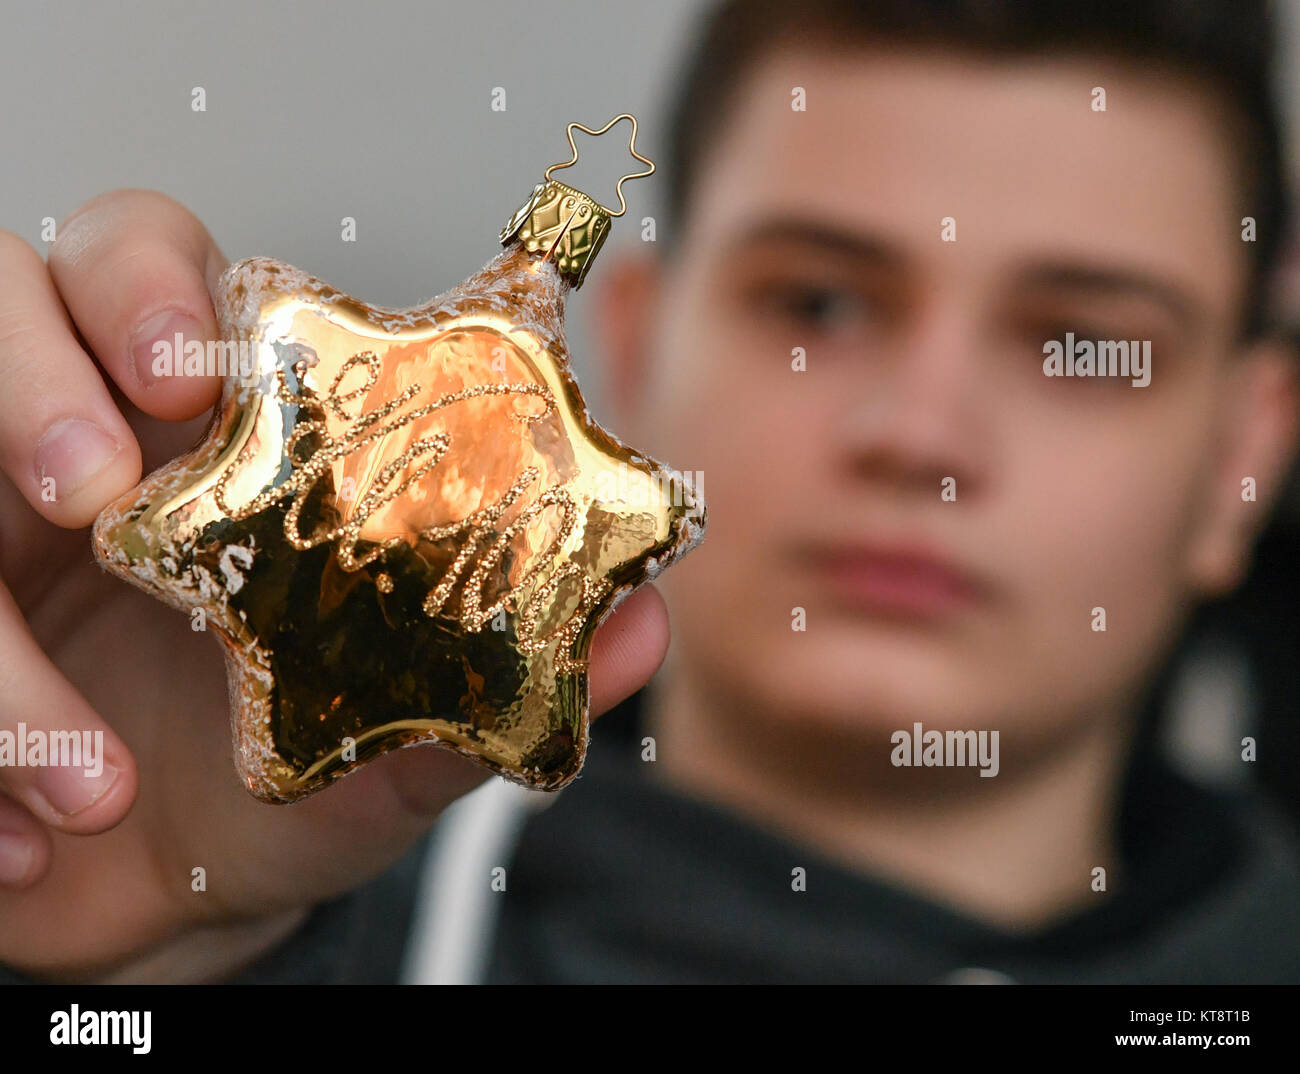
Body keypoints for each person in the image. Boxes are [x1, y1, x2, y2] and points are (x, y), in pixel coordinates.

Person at [1, 0, 1298, 984]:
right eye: (818, 303)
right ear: (629, 345)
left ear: (1250, 453)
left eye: (1081, 343)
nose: (921, 435)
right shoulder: (251, 934)